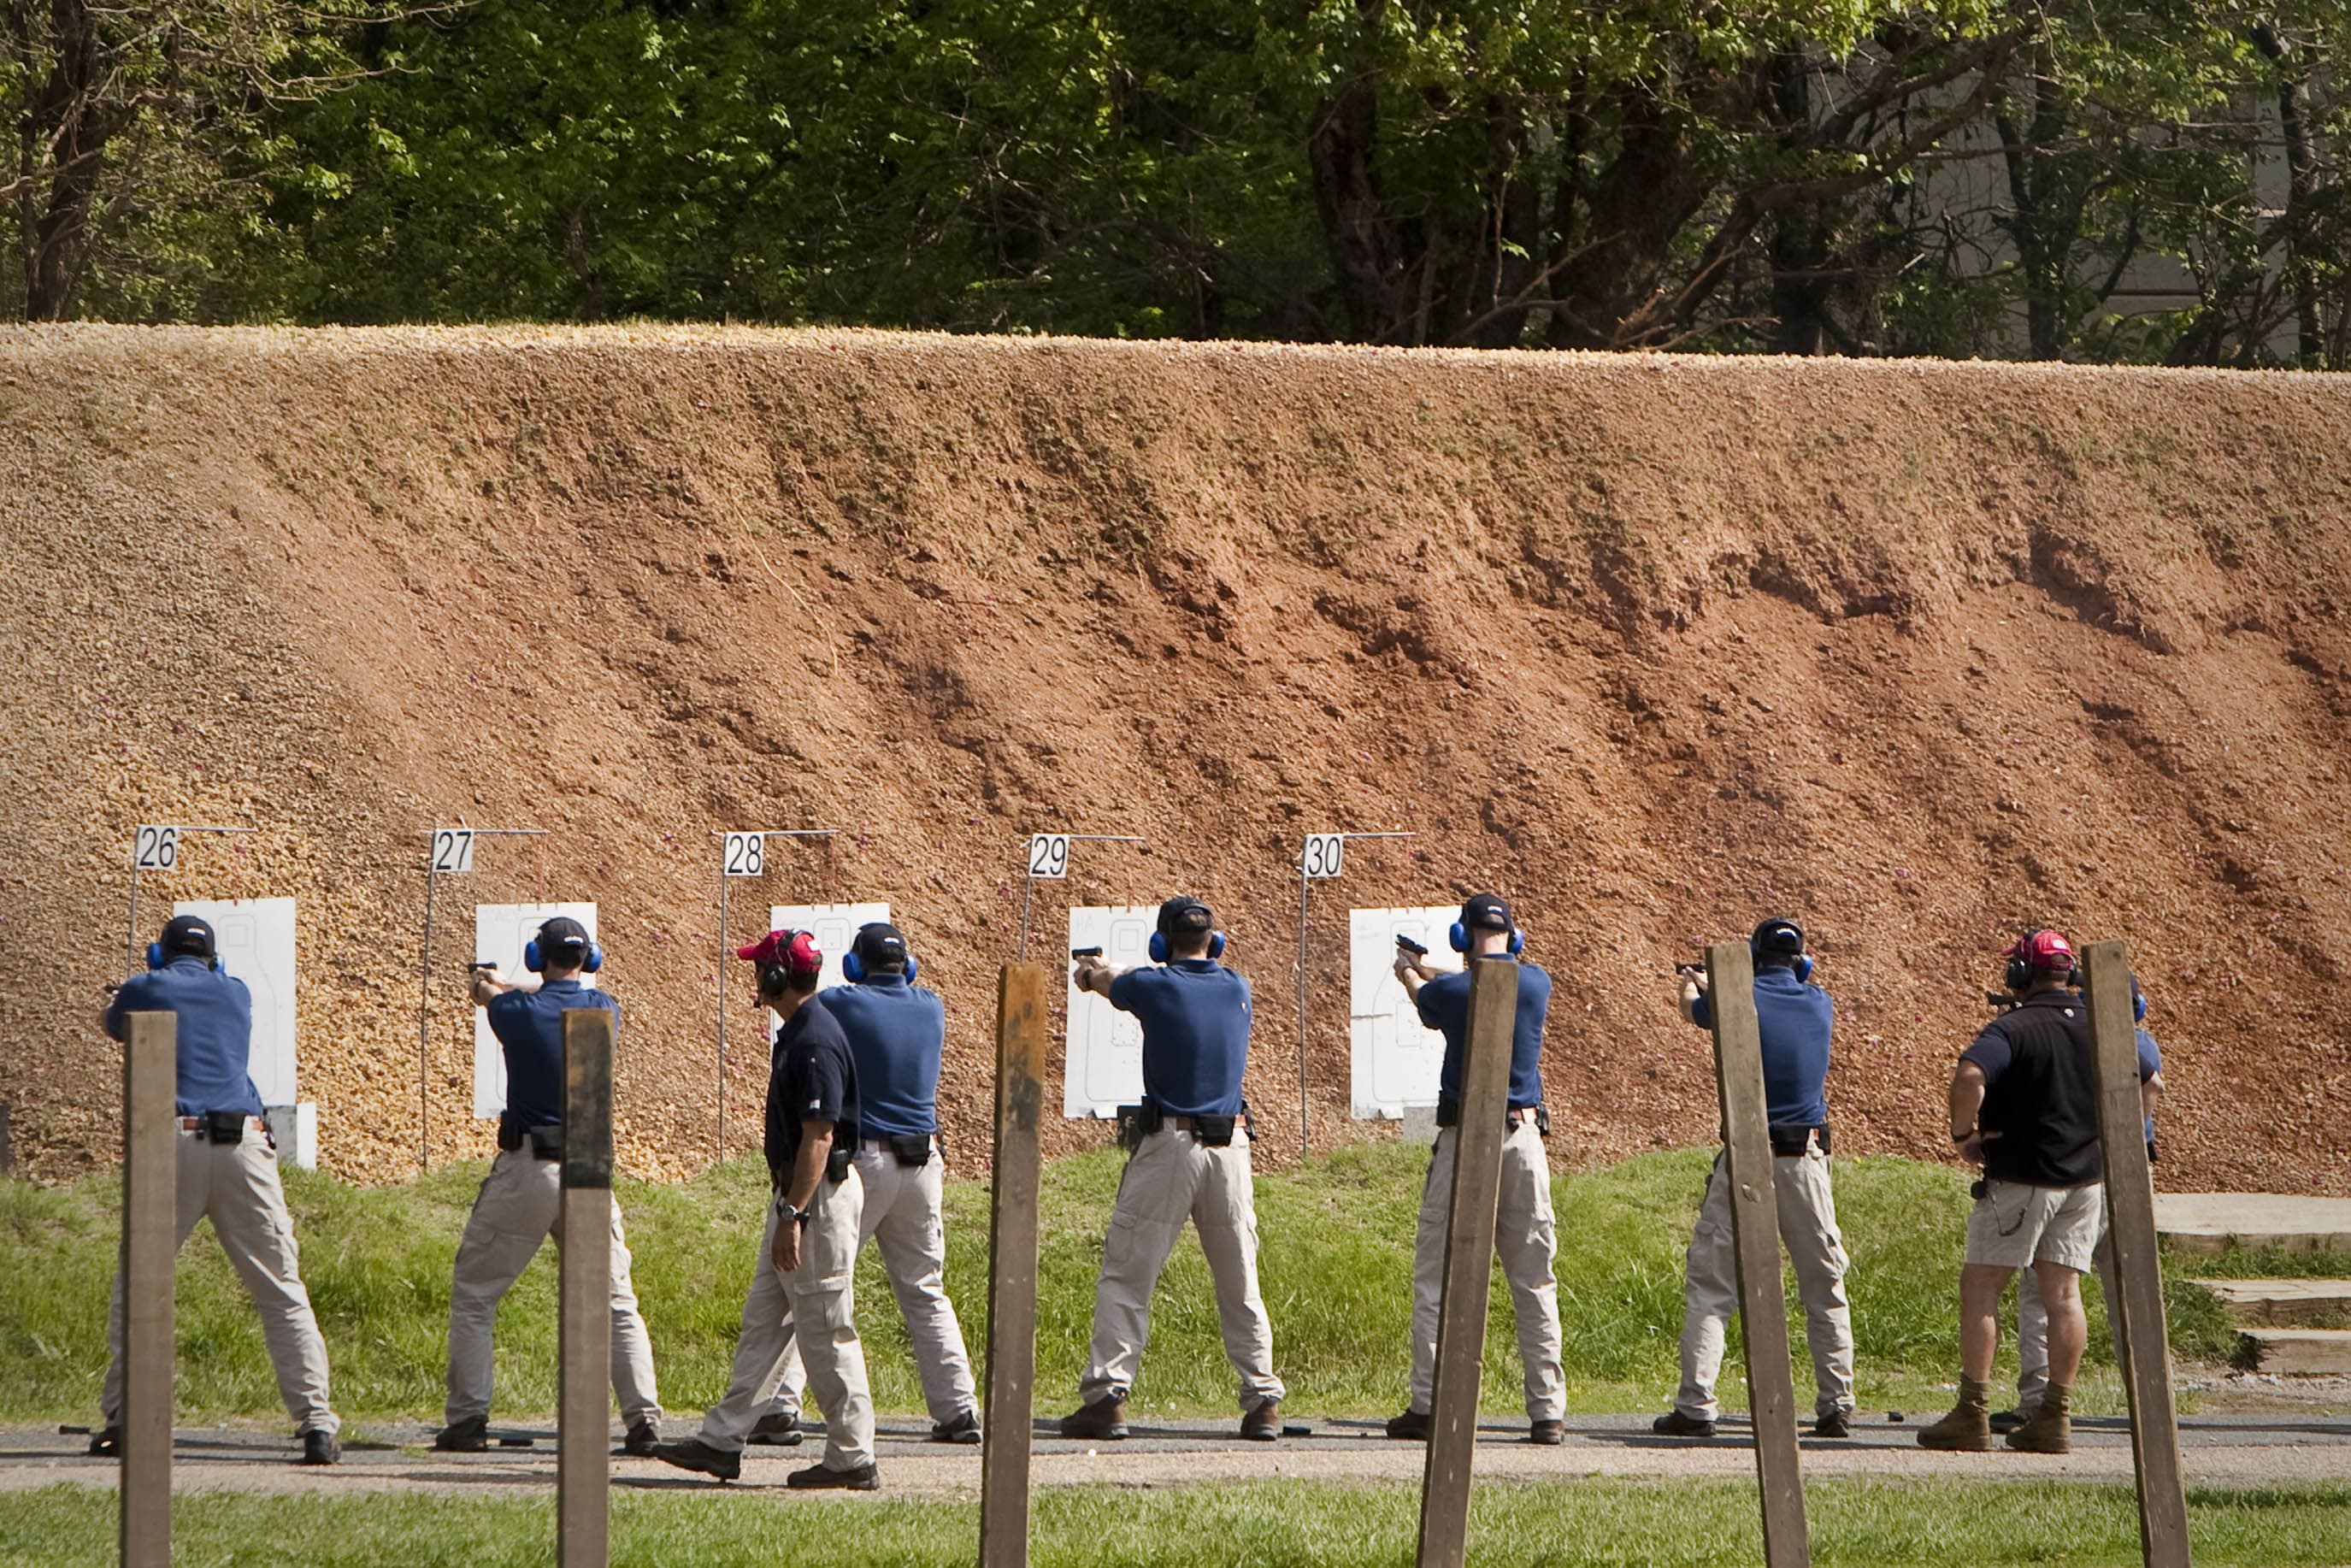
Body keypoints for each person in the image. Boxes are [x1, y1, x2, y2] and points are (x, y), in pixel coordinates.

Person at [93, 915, 342, 1465]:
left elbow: (113, 1024)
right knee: (282, 1287)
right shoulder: (237, 991)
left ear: (161, 956)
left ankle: (124, 1418)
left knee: (138, 1286)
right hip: (244, 1144)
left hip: (171, 1147)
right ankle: (317, 1424)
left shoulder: (144, 988)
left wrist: (121, 995)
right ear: (214, 958)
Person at [1060, 896, 1285, 1442]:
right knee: (1241, 1282)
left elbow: (1107, 982)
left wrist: (1089, 970)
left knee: (1127, 1274)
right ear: (1216, 942)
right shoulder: (1237, 988)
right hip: (1231, 1150)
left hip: (1171, 1147)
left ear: (1161, 945)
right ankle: (1262, 1403)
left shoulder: (1154, 986)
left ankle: (1108, 1395)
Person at [1919, 928, 2151, 1455]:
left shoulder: (2012, 1028)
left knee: (1981, 1286)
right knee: (2064, 1295)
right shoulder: (2102, 1026)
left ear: (2020, 974)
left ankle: (1972, 1412)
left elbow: (1970, 1075)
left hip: (2021, 1177)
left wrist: (1963, 1136)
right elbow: (2144, 1080)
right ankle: (2055, 1415)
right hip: (2083, 1181)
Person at [439, 917, 663, 1456]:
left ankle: (468, 1418)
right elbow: (549, 993)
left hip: (529, 1168)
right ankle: (644, 1421)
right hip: (589, 1166)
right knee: (616, 1302)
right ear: (590, 960)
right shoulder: (604, 1008)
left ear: (537, 957)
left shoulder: (513, 1012)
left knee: (475, 1294)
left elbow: (486, 994)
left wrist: (489, 980)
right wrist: (514, 983)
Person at [757, 923, 981, 1445]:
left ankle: (779, 1403)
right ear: (907, 967)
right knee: (926, 1289)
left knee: (810, 1281)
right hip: (923, 1163)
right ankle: (958, 1408)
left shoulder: (843, 1005)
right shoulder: (931, 1005)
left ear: (856, 968)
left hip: (865, 1163)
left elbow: (807, 1001)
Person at [1654, 917, 1855, 1441]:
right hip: (1805, 1157)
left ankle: (1696, 1404)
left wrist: (1694, 982)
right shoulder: (1820, 1003)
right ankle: (1837, 1404)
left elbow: (1691, 1011)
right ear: (1800, 962)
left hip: (1747, 1154)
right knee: (1824, 1284)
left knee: (1712, 1282)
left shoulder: (1734, 1001)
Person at [1384, 893, 1567, 1446]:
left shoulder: (1451, 993)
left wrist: (1405, 974)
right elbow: (1484, 975)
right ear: (1514, 938)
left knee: (1438, 1274)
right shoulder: (1535, 983)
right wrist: (1430, 967)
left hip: (1467, 1139)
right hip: (1524, 1139)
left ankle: (1429, 1403)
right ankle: (1548, 1412)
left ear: (1461, 939)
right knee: (1535, 1278)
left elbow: (1429, 997)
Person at [1996, 975, 2165, 1433]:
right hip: (2121, 1170)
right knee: (2128, 1288)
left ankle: (2037, 1402)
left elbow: (2152, 1084)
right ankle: (2149, 1404)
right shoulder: (2135, 1036)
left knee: (2044, 1286)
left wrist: (2117, 1136)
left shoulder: (2104, 1039)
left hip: (2091, 1170)